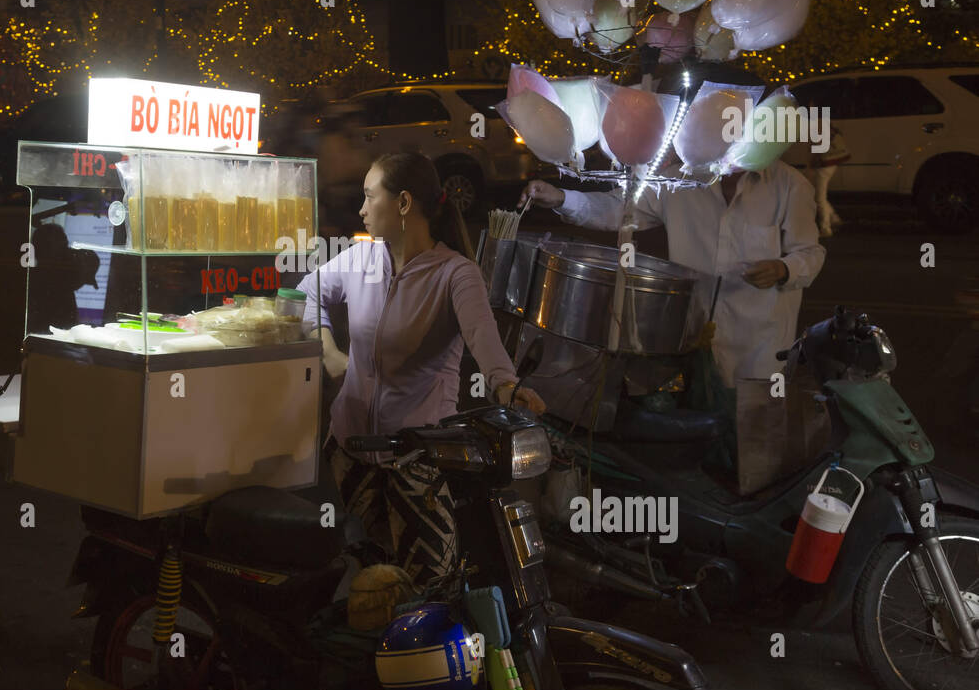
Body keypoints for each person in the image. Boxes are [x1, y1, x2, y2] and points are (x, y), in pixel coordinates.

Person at [297, 152, 546, 585]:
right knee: (355, 587)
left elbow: (484, 339)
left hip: (417, 464)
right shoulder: (360, 259)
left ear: (404, 204)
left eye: (369, 196)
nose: (360, 209)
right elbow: (305, 294)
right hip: (348, 454)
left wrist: (507, 387)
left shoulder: (455, 274)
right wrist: (329, 352)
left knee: (426, 593)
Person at [519, 160, 826, 387]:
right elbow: (620, 209)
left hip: (761, 347)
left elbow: (810, 253)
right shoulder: (677, 178)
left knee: (755, 444)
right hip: (695, 342)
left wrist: (783, 268)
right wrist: (561, 198)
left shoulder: (789, 184)